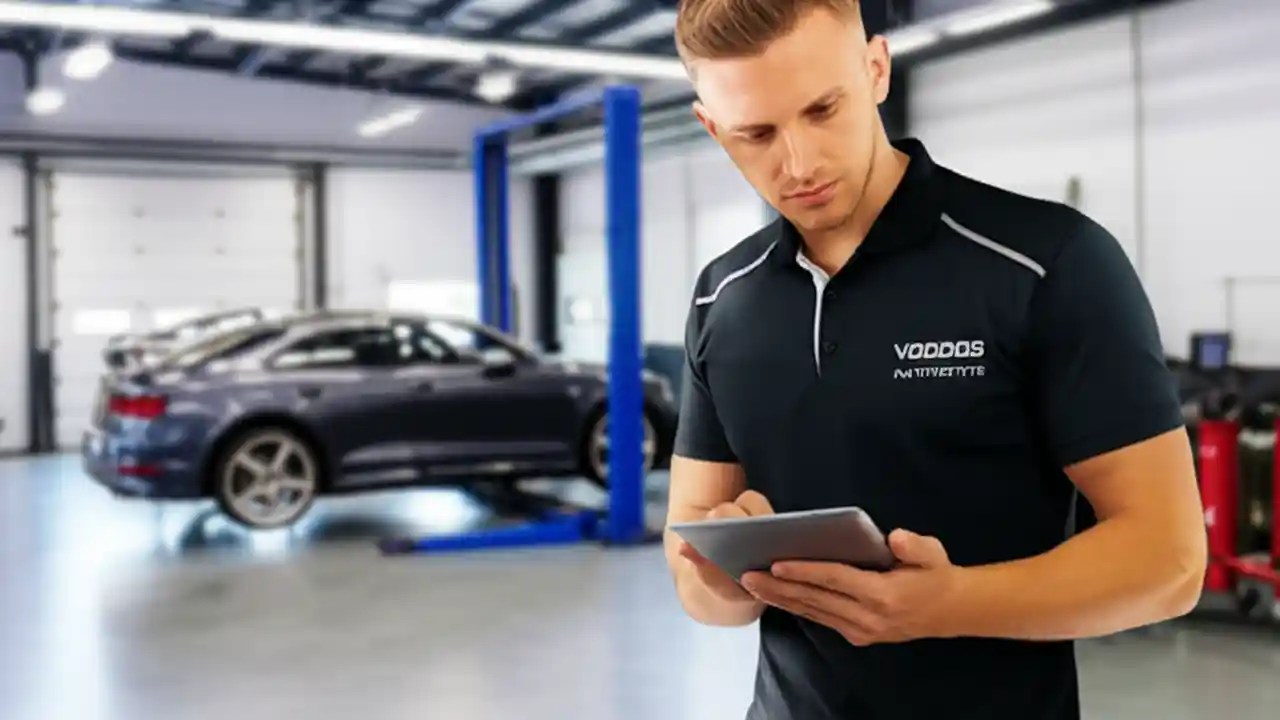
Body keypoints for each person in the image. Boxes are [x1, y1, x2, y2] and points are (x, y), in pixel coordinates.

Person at [662, 1, 1208, 718]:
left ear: (876, 70)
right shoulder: (719, 299)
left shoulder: (1047, 265)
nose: (798, 163)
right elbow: (699, 578)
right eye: (755, 134)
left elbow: (1168, 563)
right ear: (712, 128)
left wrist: (949, 605)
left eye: (824, 109)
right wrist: (731, 580)